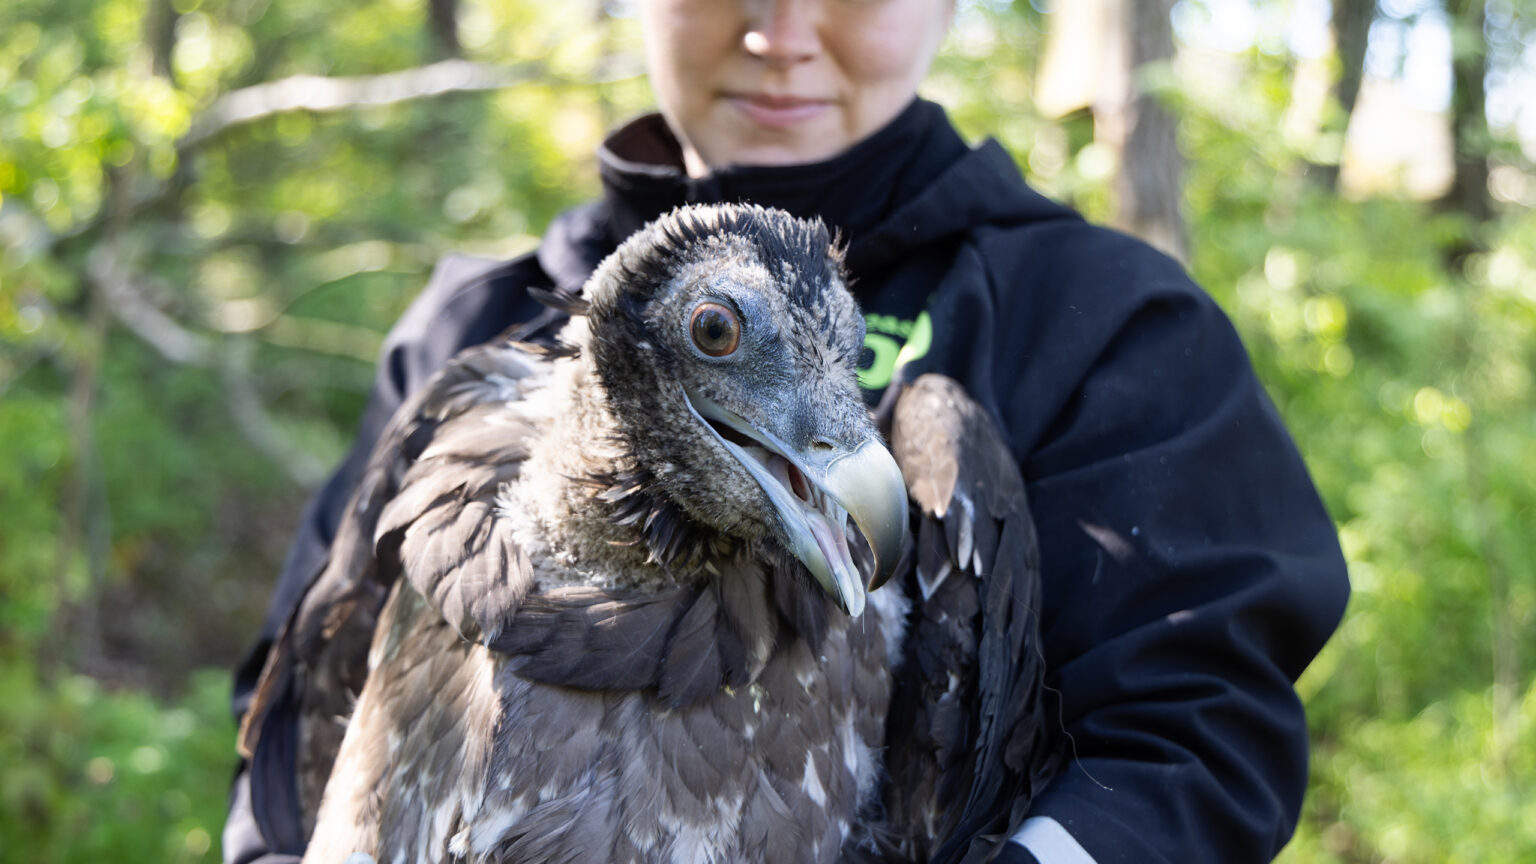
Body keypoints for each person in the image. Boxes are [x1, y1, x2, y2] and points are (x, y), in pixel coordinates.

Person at [224, 0, 1350, 861]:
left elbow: (1195, 748)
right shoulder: (475, 325)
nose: (783, 32)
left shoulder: (1103, 323)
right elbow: (290, 742)